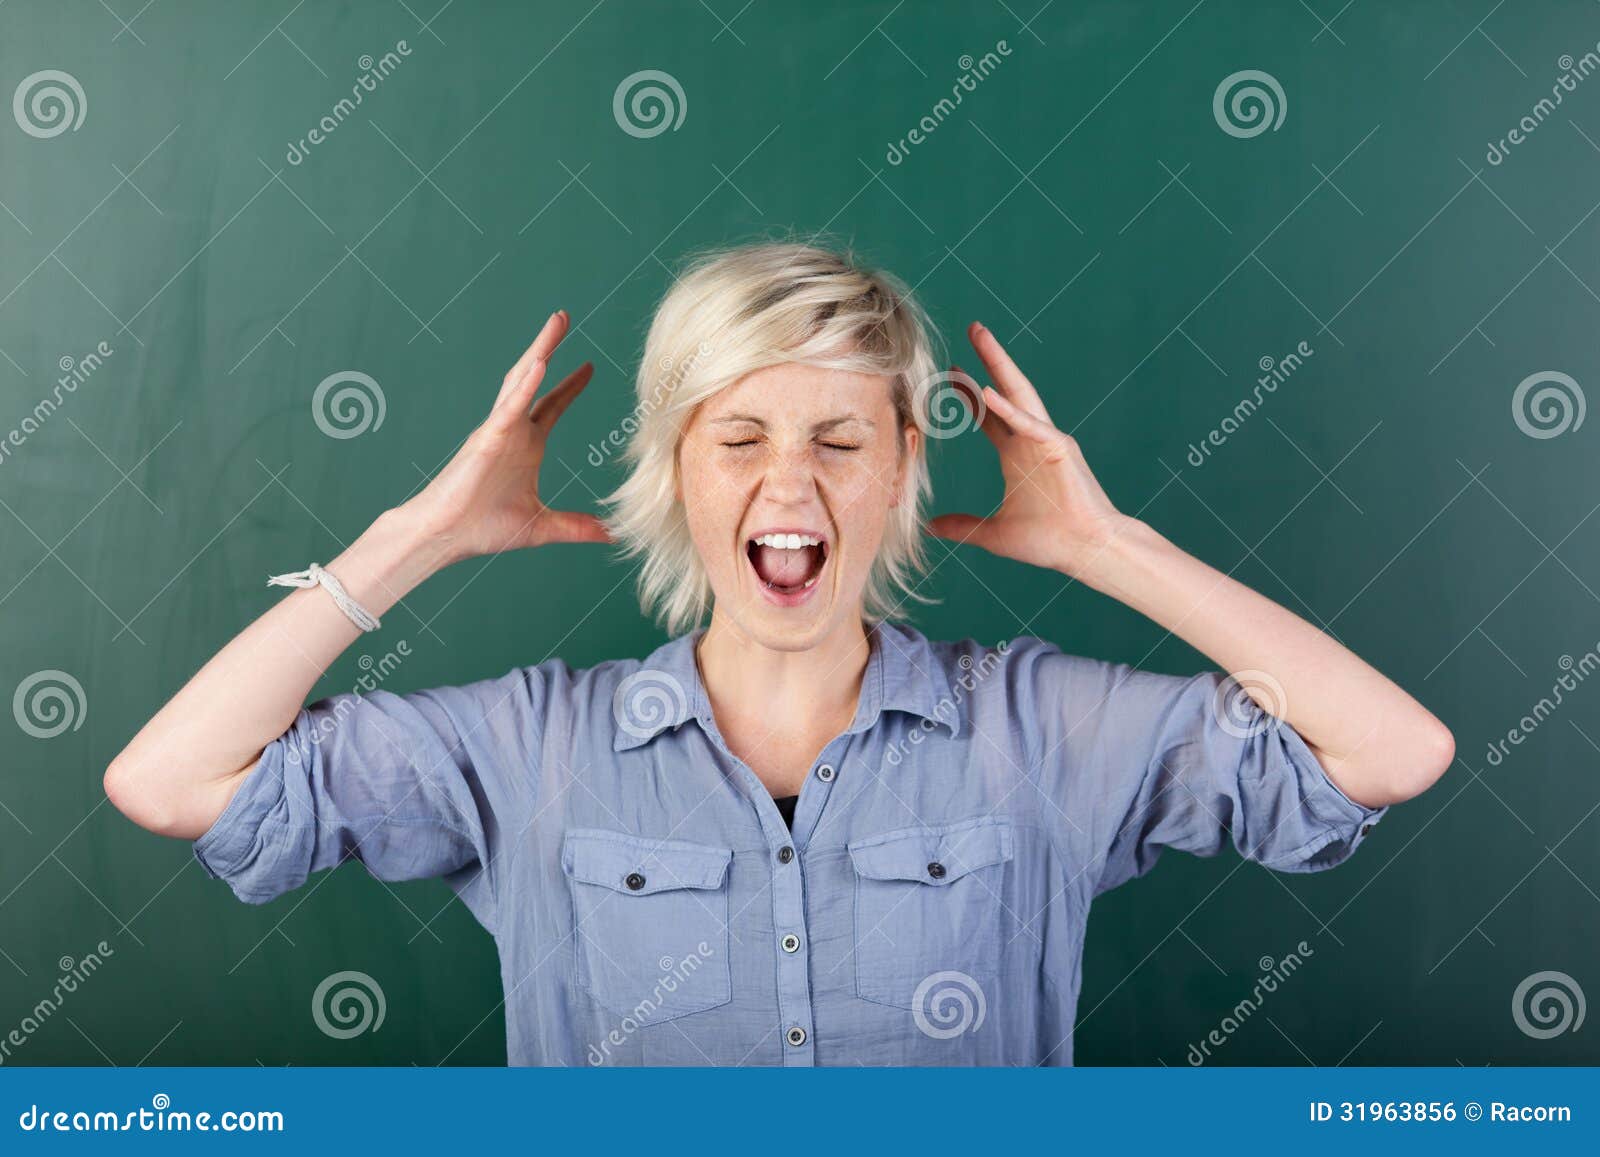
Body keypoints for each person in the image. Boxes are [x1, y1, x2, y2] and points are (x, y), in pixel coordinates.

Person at [104, 241, 1454, 1066]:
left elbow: (1393, 751)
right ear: (674, 472)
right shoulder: (529, 749)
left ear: (902, 472)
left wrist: (1108, 548)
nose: (789, 482)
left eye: (841, 439)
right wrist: (419, 535)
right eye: (739, 437)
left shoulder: (1039, 730)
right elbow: (171, 780)